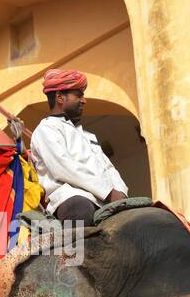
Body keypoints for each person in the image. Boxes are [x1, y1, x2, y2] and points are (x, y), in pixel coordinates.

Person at [29, 69, 128, 226]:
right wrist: (108, 192)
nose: (84, 100)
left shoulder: (87, 135)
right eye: (79, 95)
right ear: (60, 97)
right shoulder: (46, 129)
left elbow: (108, 168)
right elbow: (64, 168)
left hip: (105, 198)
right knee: (80, 211)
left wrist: (120, 192)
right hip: (71, 197)